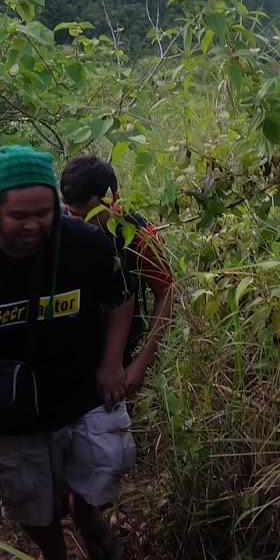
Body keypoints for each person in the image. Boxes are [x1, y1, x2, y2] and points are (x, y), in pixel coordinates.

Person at [0, 145, 134, 560]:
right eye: (19, 216)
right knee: (29, 503)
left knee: (101, 468)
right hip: (11, 412)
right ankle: (53, 557)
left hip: (84, 393)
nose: (34, 225)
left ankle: (87, 514)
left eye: (44, 212)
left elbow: (120, 297)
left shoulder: (86, 244)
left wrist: (112, 362)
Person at [58, 155, 176, 396]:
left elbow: (166, 292)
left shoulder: (138, 234)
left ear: (114, 200)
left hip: (120, 354)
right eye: (75, 216)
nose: (82, 225)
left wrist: (141, 363)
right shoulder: (53, 223)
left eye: (92, 217)